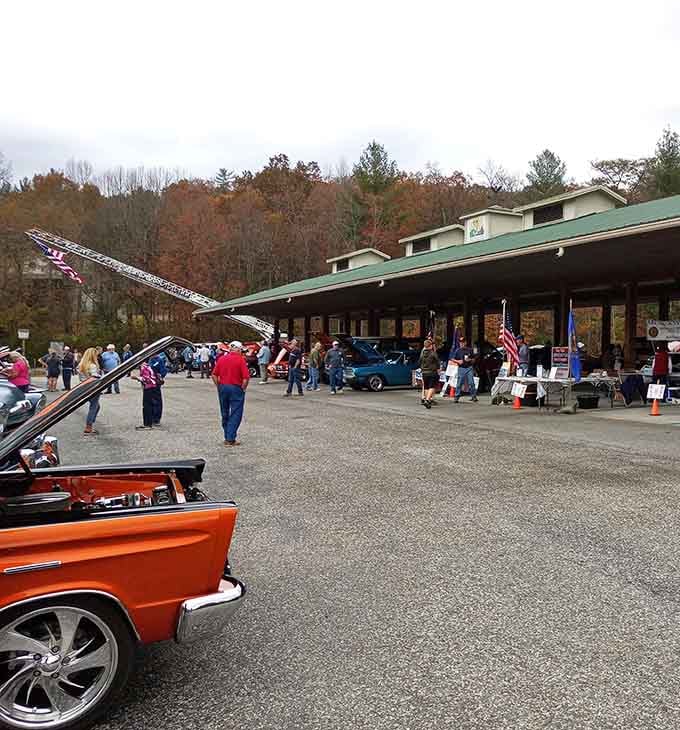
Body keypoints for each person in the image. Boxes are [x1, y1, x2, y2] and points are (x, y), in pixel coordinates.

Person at [211, 340, 250, 446]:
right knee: (236, 413)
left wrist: (218, 386)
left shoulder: (222, 359)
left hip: (223, 387)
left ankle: (227, 434)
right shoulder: (240, 360)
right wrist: (243, 388)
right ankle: (230, 438)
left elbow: (214, 375)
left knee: (224, 411)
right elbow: (246, 378)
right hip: (235, 387)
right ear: (238, 349)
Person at [78, 347, 102, 435]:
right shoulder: (92, 365)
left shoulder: (81, 365)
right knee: (94, 407)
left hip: (85, 388)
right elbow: (95, 377)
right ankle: (89, 427)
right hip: (93, 388)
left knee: (96, 406)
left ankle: (90, 423)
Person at [131, 359, 158, 430]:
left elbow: (147, 379)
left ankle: (147, 424)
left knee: (146, 406)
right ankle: (149, 423)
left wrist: (136, 377)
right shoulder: (147, 366)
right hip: (152, 387)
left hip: (149, 387)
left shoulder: (143, 367)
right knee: (149, 405)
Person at [452, 335, 478, 403]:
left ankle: (473, 396)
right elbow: (452, 358)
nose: (462, 344)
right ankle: (456, 397)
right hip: (461, 368)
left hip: (469, 367)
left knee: (471, 383)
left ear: (465, 342)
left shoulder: (470, 350)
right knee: (459, 383)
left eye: (463, 342)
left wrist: (471, 360)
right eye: (460, 342)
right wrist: (458, 361)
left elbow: (474, 358)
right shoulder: (457, 350)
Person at [419, 339, 441, 409]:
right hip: (432, 372)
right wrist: (438, 369)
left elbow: (419, 362)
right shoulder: (433, 353)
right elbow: (437, 362)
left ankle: (426, 399)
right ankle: (428, 400)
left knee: (426, 386)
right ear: (430, 346)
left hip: (424, 372)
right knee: (432, 386)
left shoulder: (422, 354)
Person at [149, 351, 167, 426]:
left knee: (157, 401)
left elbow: (163, 371)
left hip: (156, 383)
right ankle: (151, 417)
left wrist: (159, 377)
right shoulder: (149, 360)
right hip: (148, 383)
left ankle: (156, 419)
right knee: (150, 400)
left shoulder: (159, 360)